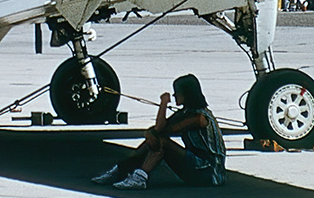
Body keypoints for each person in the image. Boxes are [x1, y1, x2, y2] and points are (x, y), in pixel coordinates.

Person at [91, 74, 226, 190]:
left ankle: (139, 177)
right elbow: (160, 127)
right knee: (154, 140)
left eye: (177, 92)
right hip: (197, 167)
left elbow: (163, 130)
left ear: (187, 94)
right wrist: (152, 130)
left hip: (209, 172)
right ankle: (121, 169)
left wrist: (163, 104)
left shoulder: (199, 117)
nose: (174, 95)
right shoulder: (186, 112)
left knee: (161, 142)